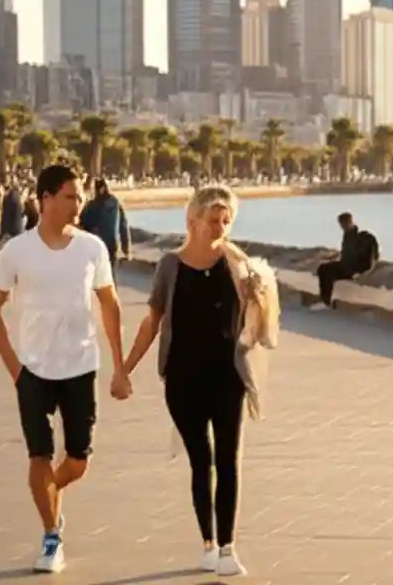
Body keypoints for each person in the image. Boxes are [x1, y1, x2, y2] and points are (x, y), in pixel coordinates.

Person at [123, 185, 280, 577]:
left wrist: (259, 294)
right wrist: (125, 369)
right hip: (182, 378)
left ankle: (227, 547)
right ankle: (208, 543)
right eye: (213, 220)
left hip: (228, 376)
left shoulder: (238, 264)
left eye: (226, 221)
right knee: (201, 459)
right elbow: (152, 322)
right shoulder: (169, 266)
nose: (220, 227)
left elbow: (259, 317)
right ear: (192, 220)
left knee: (228, 458)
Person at [0, 164, 126, 574]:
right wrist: (15, 369)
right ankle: (51, 535)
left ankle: (46, 492)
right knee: (39, 455)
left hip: (81, 366)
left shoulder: (92, 248)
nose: (78, 203)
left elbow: (110, 305)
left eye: (80, 196)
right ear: (45, 199)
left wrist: (119, 366)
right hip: (33, 371)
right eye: (70, 196)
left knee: (78, 460)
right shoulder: (16, 251)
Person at [310, 211, 380, 310]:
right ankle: (325, 300)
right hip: (346, 266)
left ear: (351, 222)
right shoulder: (347, 236)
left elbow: (373, 255)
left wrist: (364, 270)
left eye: (345, 223)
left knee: (326, 271)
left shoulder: (364, 237)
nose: (343, 226)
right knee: (323, 269)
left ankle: (326, 301)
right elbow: (345, 255)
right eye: (341, 224)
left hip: (354, 268)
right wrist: (332, 258)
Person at [79, 178, 131, 277]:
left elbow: (84, 223)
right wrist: (126, 248)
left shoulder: (92, 205)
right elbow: (123, 226)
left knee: (98, 275)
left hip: (98, 243)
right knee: (111, 274)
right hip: (113, 244)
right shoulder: (116, 203)